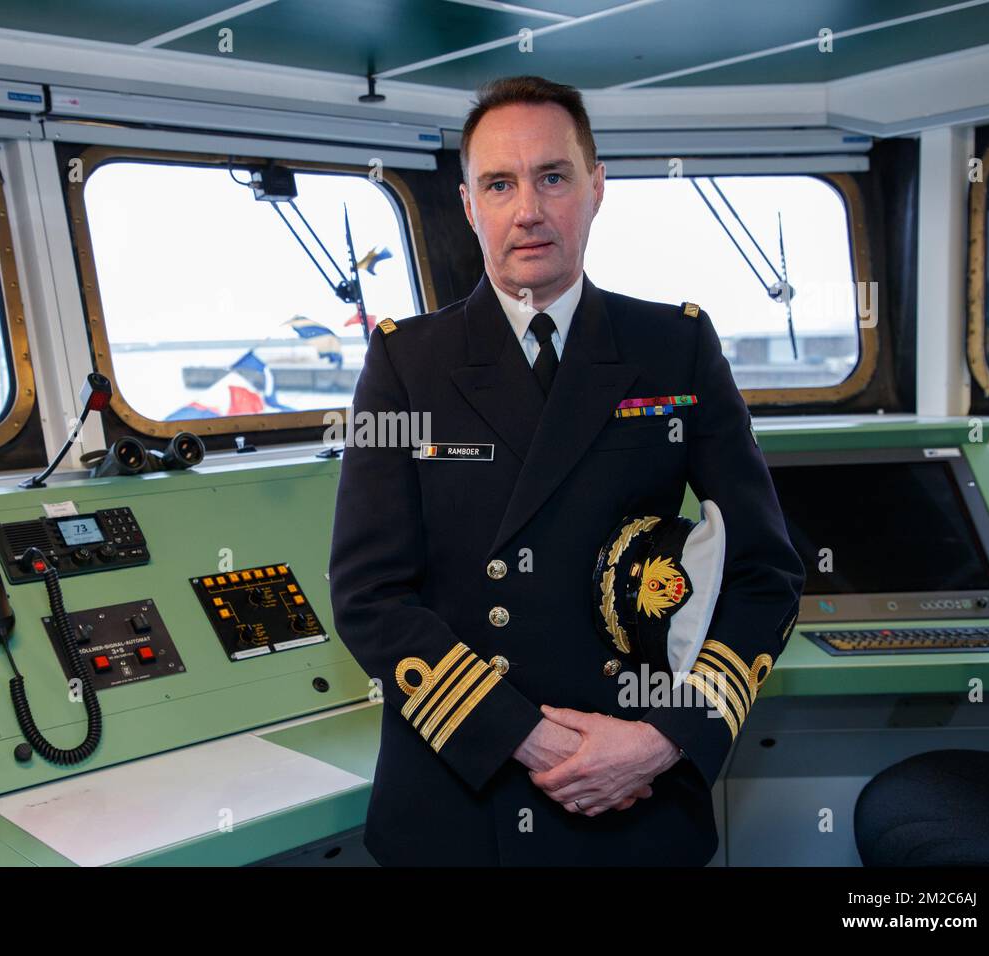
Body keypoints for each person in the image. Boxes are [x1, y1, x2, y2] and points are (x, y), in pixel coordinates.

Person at [328, 75, 805, 866]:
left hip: (637, 790)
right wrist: (529, 738)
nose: (529, 209)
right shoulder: (405, 362)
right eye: (500, 183)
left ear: (596, 188)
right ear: (469, 203)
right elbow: (369, 595)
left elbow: (765, 573)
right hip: (463, 792)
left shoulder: (673, 347)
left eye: (553, 177)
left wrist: (664, 736)